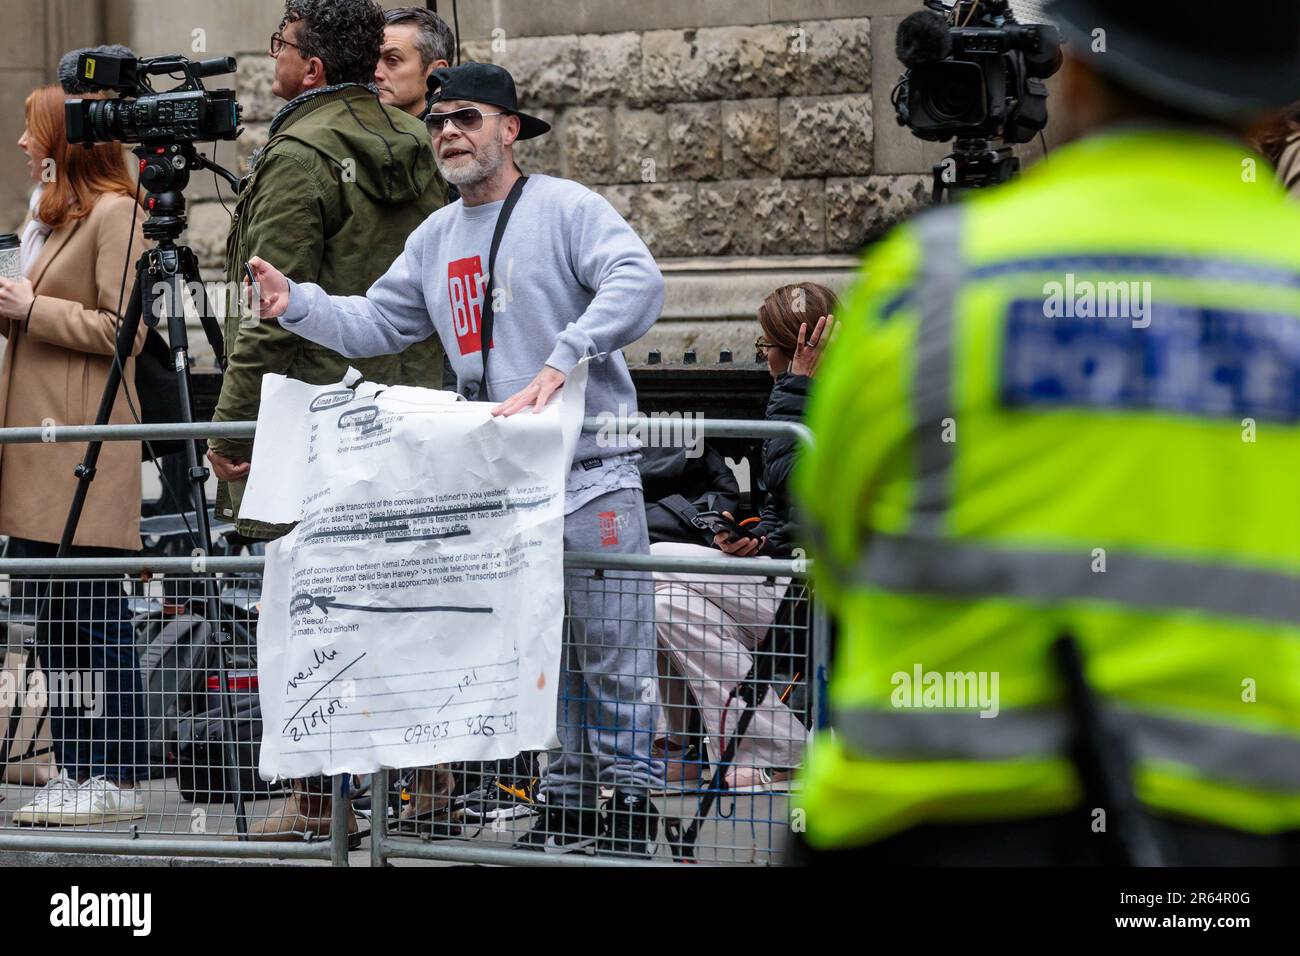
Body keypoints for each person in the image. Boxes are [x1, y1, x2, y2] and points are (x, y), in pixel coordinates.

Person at [794, 0, 1300, 865]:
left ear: (1083, 71)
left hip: (930, 826)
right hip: (1235, 837)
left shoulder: (936, 277)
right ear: (1267, 105)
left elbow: (834, 540)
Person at [246, 61, 668, 856]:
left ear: (511, 128)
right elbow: (378, 322)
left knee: (615, 654)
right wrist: (294, 302)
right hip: (506, 493)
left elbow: (637, 281)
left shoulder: (567, 209)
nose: (448, 133)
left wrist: (565, 353)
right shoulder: (437, 236)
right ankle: (572, 806)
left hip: (588, 479)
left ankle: (636, 810)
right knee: (546, 655)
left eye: (468, 119)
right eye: (439, 121)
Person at [205, 0, 447, 842]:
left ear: (310, 68)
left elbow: (271, 304)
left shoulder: (301, 152)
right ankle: (429, 780)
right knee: (409, 603)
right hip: (417, 405)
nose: (270, 54)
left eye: (280, 45)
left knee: (309, 608)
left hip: (316, 418)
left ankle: (317, 800)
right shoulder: (420, 138)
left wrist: (231, 432)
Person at [0, 84, 149, 826]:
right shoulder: (48, 217)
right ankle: (78, 770)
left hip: (81, 441)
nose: (24, 147)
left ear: (66, 143)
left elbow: (127, 332)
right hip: (36, 447)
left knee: (95, 614)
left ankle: (116, 777)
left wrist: (32, 309)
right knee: (55, 620)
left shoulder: (119, 213)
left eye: (35, 134)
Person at [652, 283, 835, 791]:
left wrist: (795, 390)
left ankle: (766, 749)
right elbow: (789, 513)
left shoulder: (826, 399)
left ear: (797, 350)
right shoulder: (800, 399)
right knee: (666, 602)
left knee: (649, 559)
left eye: (765, 348)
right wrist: (753, 539)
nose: (763, 359)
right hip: (787, 579)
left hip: (822, 598)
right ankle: (778, 749)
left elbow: (797, 480)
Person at [375, 6, 455, 118]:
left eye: (392, 60)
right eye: (371, 59)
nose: (376, 73)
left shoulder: (454, 132)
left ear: (437, 72)